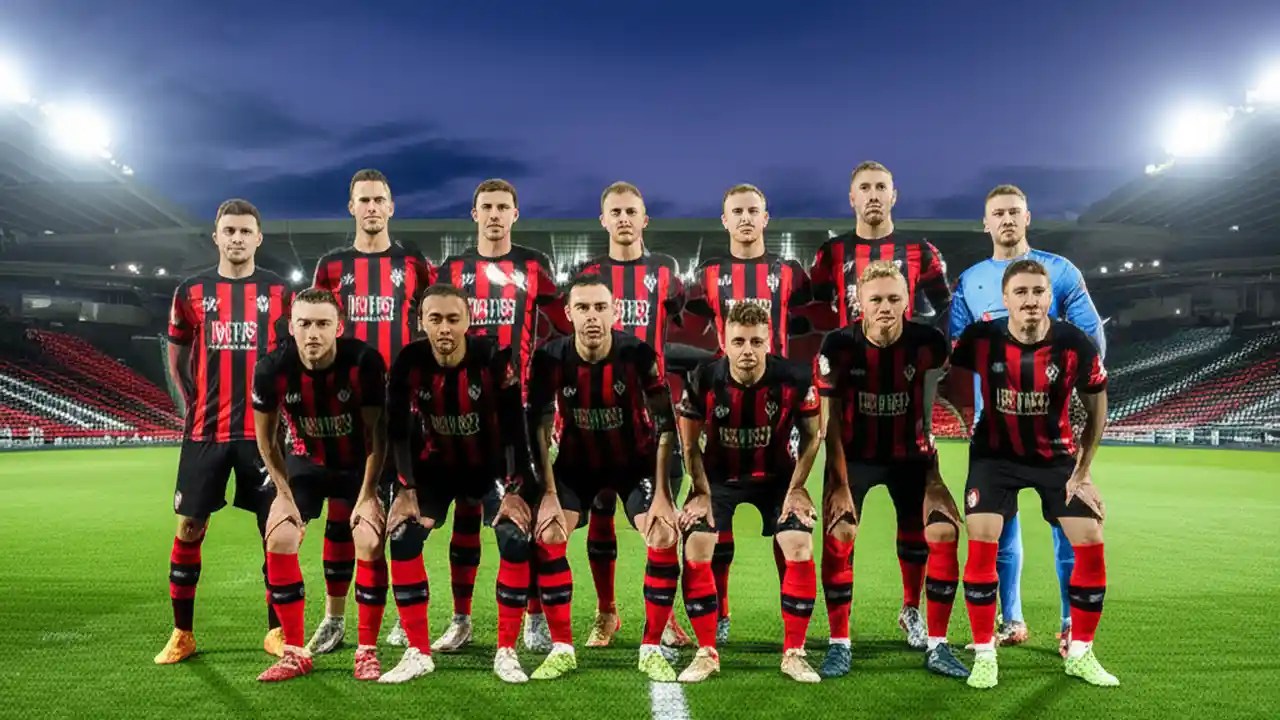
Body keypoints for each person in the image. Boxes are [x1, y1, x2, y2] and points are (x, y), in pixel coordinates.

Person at [949, 184, 1106, 653]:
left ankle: (1068, 623)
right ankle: (1011, 619)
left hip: (1054, 426)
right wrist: (963, 408)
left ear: (1028, 217)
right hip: (995, 427)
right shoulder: (971, 279)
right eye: (997, 213)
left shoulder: (1059, 270)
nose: (1006, 220)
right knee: (999, 530)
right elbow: (960, 349)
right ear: (985, 222)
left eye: (1014, 211)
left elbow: (1090, 336)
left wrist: (1082, 394)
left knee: (1068, 523)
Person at [813, 261, 969, 679]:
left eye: (894, 298)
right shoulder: (837, 345)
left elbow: (933, 409)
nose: (885, 306)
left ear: (907, 301)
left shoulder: (930, 343)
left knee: (941, 530)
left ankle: (928, 633)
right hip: (856, 455)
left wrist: (936, 479)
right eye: (876, 299)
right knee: (841, 530)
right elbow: (829, 426)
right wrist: (838, 485)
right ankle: (839, 642)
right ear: (859, 301)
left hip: (912, 457)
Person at [155, 199, 292, 665]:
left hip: (264, 437)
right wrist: (192, 400)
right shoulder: (190, 291)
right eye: (229, 230)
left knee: (272, 532)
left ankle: (276, 630)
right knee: (190, 528)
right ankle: (182, 633)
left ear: (258, 238)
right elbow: (176, 356)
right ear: (216, 236)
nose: (237, 238)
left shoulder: (280, 293)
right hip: (204, 433)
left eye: (245, 231)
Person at [525, 274, 681, 681]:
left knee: (663, 532)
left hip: (635, 464)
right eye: (583, 308)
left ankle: (651, 644)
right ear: (568, 313)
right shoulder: (549, 358)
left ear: (614, 312)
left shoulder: (637, 354)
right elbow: (539, 428)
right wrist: (547, 492)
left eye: (600, 308)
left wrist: (663, 494)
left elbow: (666, 426)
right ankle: (562, 647)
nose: (592, 317)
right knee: (549, 532)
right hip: (577, 465)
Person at [435, 178, 566, 653]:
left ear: (515, 214)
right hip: (462, 413)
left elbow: (563, 324)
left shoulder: (535, 267)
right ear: (474, 214)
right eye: (486, 206)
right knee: (467, 516)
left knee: (522, 516)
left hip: (521, 412)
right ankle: (461, 618)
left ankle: (533, 618)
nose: (494, 214)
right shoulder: (451, 270)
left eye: (502, 207)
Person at [384, 284, 538, 683]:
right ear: (422, 323)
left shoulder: (492, 359)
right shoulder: (408, 361)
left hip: (488, 467)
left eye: (454, 319)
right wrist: (405, 488)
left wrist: (515, 490)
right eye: (435, 319)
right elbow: (397, 432)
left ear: (468, 321)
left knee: (513, 537)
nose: (445, 328)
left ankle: (506, 649)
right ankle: (418, 651)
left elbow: (513, 430)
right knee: (402, 537)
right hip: (433, 467)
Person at [311, 168, 436, 652]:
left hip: (402, 410)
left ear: (391, 207)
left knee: (406, 513)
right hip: (347, 411)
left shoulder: (413, 263)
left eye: (379, 199)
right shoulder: (331, 266)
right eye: (362, 200)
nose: (371, 207)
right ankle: (334, 617)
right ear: (351, 207)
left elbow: (430, 324)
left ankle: (404, 619)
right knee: (343, 514)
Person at [685, 183, 812, 644]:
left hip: (777, 410)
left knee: (789, 526)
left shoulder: (790, 273)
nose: (744, 218)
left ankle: (793, 629)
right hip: (727, 404)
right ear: (724, 220)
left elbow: (808, 313)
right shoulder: (708, 273)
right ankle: (720, 613)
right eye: (736, 211)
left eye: (752, 210)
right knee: (715, 526)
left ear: (766, 217)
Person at [573, 181, 695, 648]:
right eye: (615, 212)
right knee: (601, 515)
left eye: (632, 211)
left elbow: (672, 327)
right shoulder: (587, 275)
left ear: (645, 219)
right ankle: (607, 613)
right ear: (603, 220)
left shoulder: (666, 275)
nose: (624, 219)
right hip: (596, 418)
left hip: (653, 423)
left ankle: (663, 618)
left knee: (661, 520)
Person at [676, 302, 823, 684]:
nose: (747, 350)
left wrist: (798, 489)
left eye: (756, 341)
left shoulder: (794, 376)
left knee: (798, 544)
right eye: (738, 340)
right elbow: (690, 447)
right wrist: (700, 492)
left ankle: (794, 652)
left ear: (769, 341)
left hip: (777, 478)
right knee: (697, 544)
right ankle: (706, 652)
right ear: (724, 340)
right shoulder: (702, 378)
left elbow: (812, 437)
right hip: (718, 479)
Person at [250, 288, 390, 682]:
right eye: (305, 324)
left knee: (368, 538)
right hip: (306, 463)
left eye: (323, 324)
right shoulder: (272, 368)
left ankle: (366, 650)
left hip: (357, 465)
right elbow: (266, 440)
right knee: (278, 535)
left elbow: (376, 437)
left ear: (338, 327)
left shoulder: (363, 362)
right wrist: (283, 493)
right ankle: (294, 652)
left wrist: (367, 496)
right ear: (291, 327)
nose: (313, 333)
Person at [809, 161, 951, 329]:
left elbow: (946, 311)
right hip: (848, 353)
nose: (873, 196)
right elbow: (817, 311)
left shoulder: (921, 251)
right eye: (864, 188)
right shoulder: (830, 253)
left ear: (894, 197)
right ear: (852, 199)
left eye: (881, 187)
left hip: (902, 353)